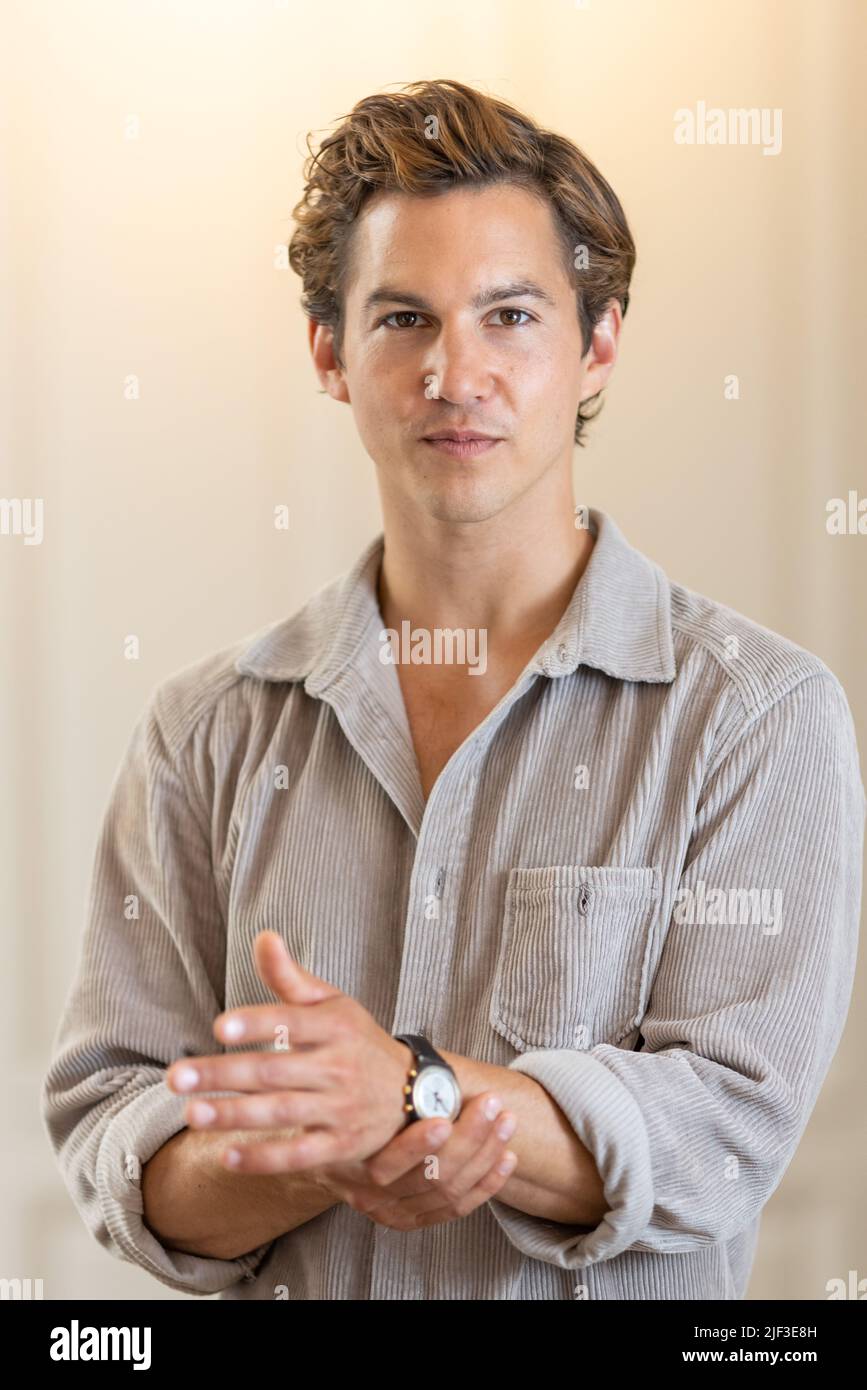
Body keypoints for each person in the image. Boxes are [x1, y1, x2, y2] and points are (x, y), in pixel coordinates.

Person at [42, 78, 864, 1301]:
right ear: (331, 352)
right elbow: (117, 1143)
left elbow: (725, 1131)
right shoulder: (203, 732)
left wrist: (416, 1089)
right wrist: (344, 1138)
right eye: (403, 319)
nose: (455, 371)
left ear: (599, 339)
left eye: (512, 315)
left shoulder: (756, 716)